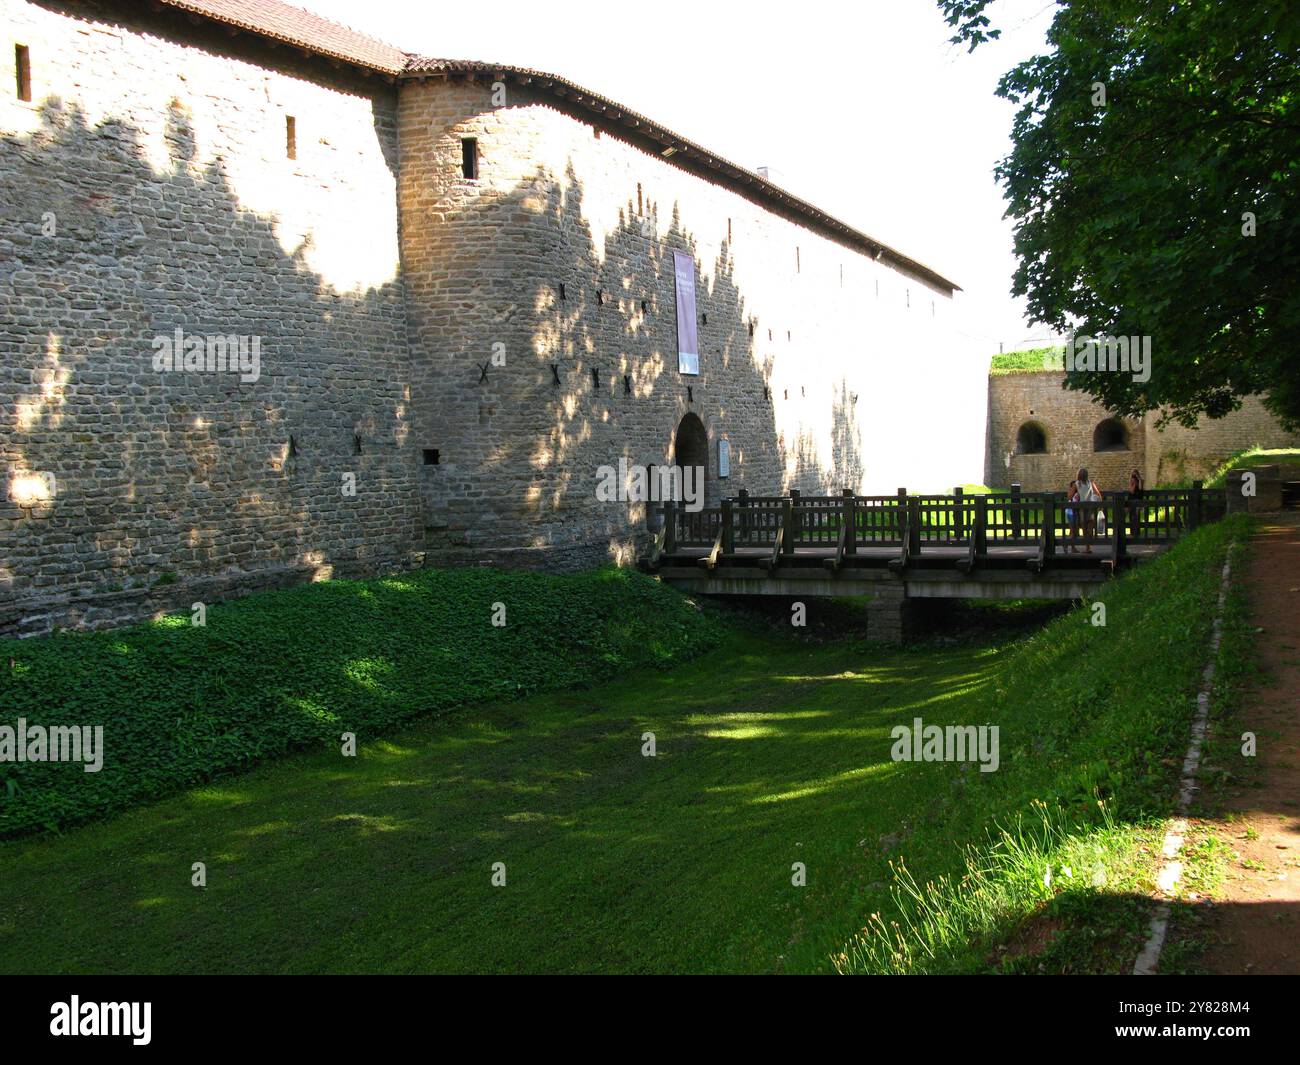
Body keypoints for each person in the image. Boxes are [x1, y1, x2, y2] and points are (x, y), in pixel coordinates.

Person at [1073, 467, 1102, 554]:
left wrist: (1077, 495)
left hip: (1082, 507)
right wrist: (1100, 505)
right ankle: (1088, 546)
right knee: (1090, 525)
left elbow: (1070, 496)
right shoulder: (1091, 483)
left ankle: (1087, 546)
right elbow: (1098, 495)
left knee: (1084, 526)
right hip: (1090, 506)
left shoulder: (1077, 484)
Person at [1065, 479, 1079, 552]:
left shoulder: (1070, 492)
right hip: (1072, 513)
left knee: (1072, 531)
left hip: (1069, 512)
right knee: (1074, 531)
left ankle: (1072, 547)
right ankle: (1067, 544)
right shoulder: (1076, 494)